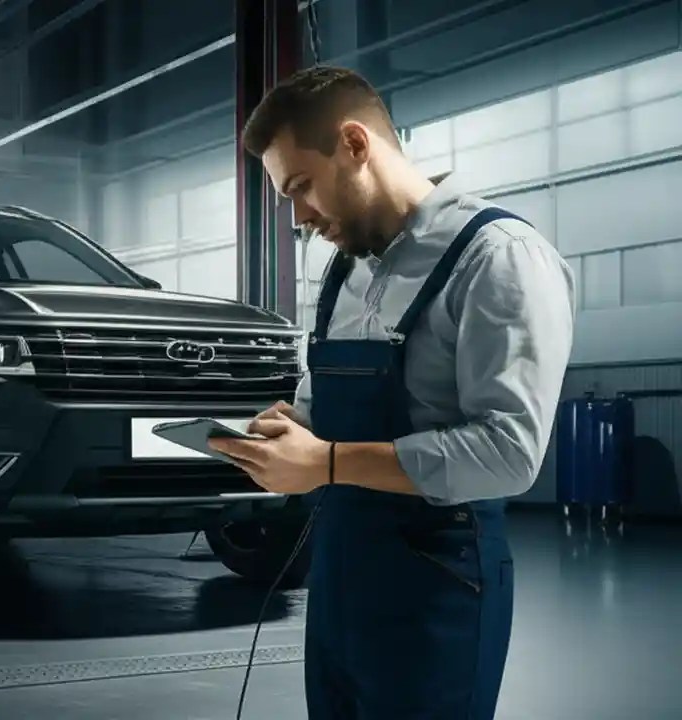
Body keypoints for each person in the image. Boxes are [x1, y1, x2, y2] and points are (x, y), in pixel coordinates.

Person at [209, 66, 574, 718]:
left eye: (301, 187)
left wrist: (321, 462)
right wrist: (287, 430)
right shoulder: (344, 271)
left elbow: (509, 452)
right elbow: (322, 409)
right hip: (340, 580)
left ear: (354, 144)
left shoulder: (498, 258)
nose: (298, 216)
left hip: (439, 585)